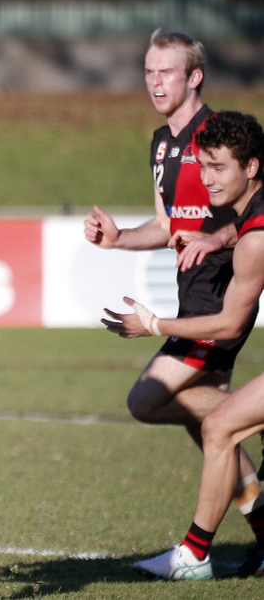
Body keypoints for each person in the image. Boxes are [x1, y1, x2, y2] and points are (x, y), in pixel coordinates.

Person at [83, 30, 264, 535]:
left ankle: (201, 547)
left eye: (166, 72)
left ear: (195, 77)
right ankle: (260, 527)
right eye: (149, 71)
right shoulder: (162, 143)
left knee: (149, 401)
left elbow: (255, 208)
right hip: (193, 294)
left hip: (221, 295)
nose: (155, 82)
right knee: (210, 425)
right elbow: (167, 226)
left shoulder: (221, 137)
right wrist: (119, 239)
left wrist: (218, 239)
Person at [102, 111, 264, 580]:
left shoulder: (255, 239)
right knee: (219, 425)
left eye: (218, 168)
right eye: (203, 166)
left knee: (217, 425)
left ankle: (193, 555)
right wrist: (216, 239)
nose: (206, 179)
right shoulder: (248, 218)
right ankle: (195, 554)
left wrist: (154, 324)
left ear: (250, 168)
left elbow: (232, 322)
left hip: (212, 317)